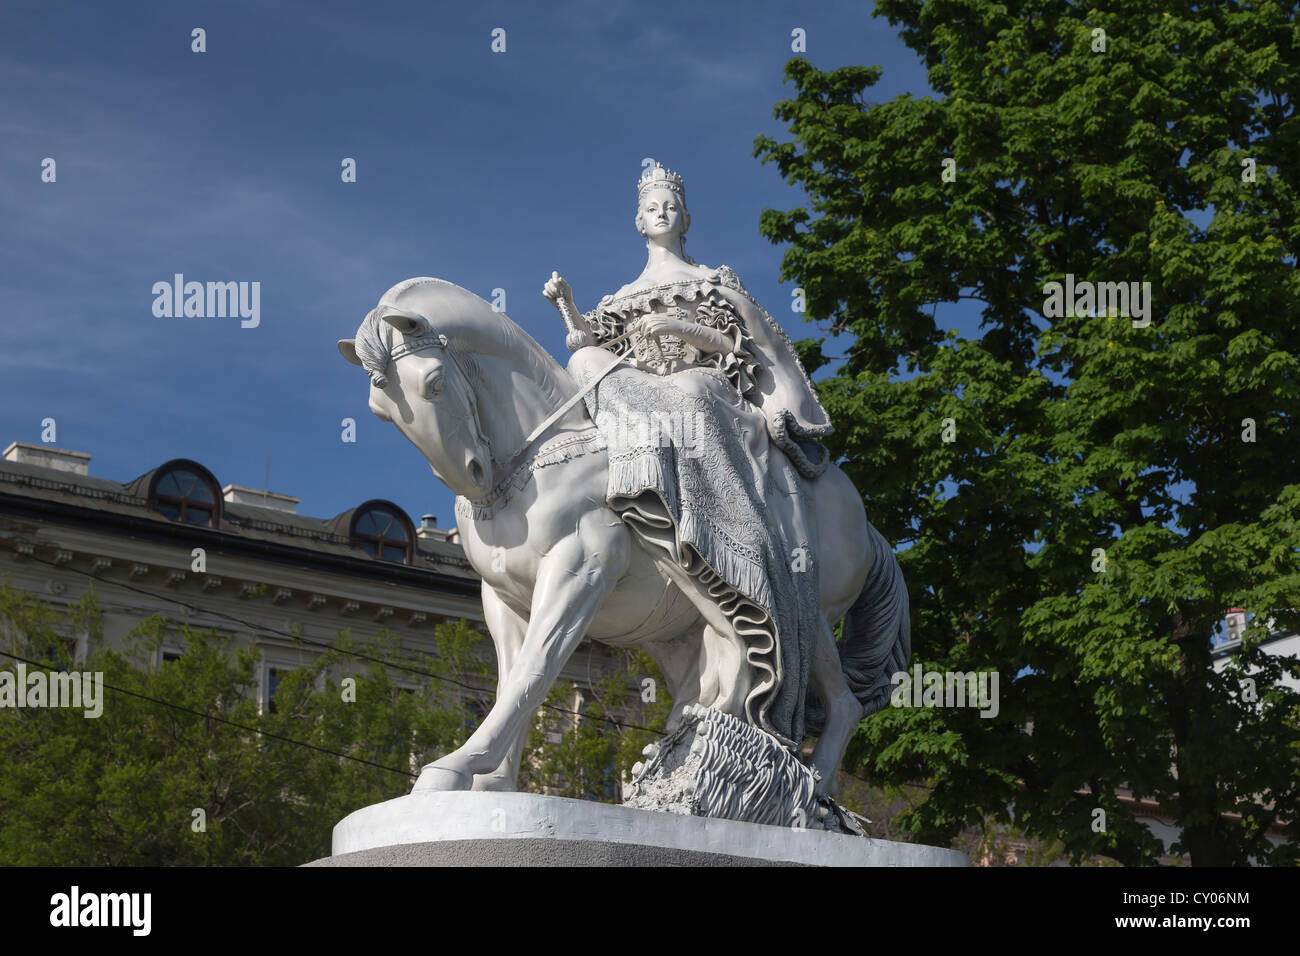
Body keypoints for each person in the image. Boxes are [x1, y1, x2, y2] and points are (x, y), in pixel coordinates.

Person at [542, 163, 834, 750]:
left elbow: (738, 345)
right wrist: (569, 308)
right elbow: (589, 350)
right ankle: (638, 475)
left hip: (707, 394)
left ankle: (721, 522)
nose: (662, 214)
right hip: (642, 400)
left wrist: (681, 325)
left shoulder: (709, 281)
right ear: (638, 221)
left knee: (694, 391)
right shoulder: (621, 298)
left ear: (686, 217)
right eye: (652, 208)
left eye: (671, 206)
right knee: (582, 366)